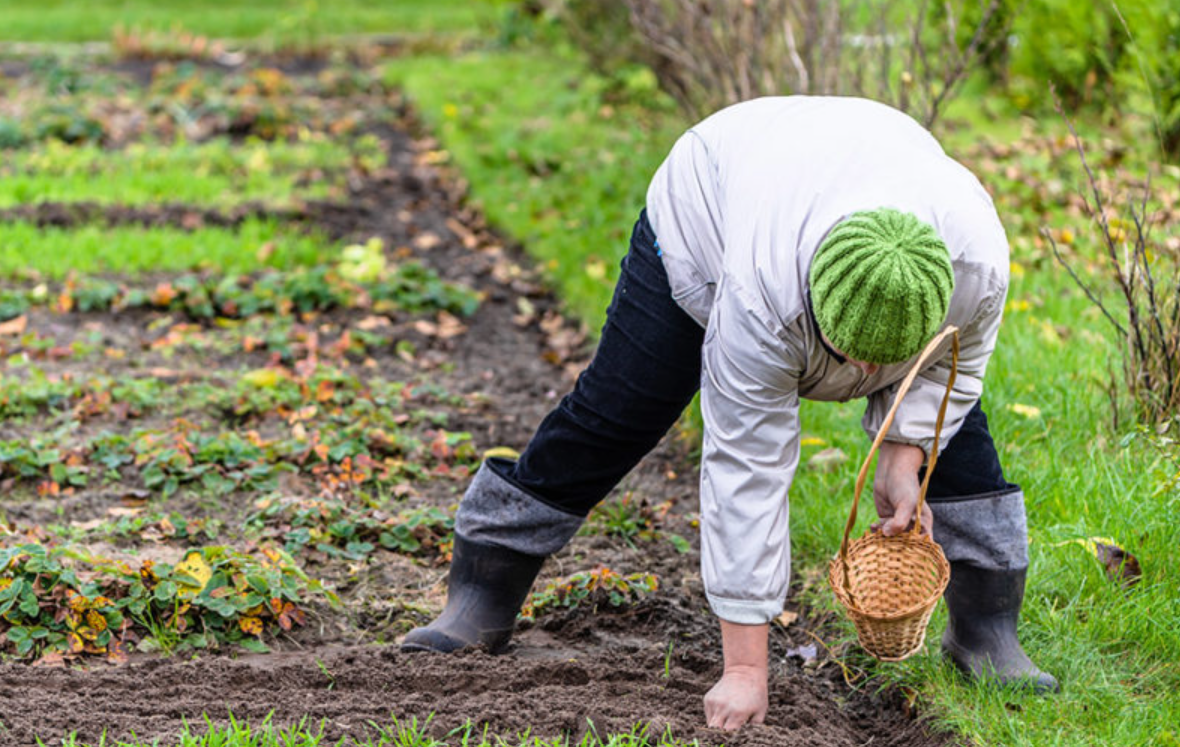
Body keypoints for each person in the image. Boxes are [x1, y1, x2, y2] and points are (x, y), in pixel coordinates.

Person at [399, 95, 1057, 730]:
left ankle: (985, 631)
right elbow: (747, 466)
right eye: (848, 356)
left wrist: (904, 450)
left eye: (879, 365)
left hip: (848, 163)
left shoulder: (974, 262)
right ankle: (488, 575)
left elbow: (954, 367)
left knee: (958, 434)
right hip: (710, 205)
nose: (860, 379)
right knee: (620, 409)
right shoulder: (758, 290)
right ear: (811, 305)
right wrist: (745, 666)